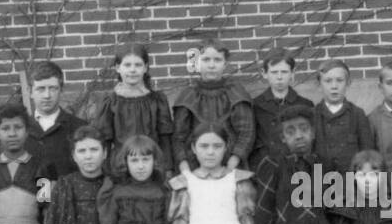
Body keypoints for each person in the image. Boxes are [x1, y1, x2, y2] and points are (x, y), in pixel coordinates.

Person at [172, 38, 255, 172]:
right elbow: (178, 137)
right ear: (197, 63)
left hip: (231, 166)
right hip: (195, 168)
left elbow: (246, 133)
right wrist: (185, 169)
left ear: (225, 64)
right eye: (206, 60)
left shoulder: (236, 93)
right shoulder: (188, 95)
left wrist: (231, 164)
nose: (211, 65)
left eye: (217, 60)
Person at [91, 42, 174, 175]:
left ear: (146, 67)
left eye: (138, 65)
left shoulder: (157, 100)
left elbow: (165, 139)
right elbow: (104, 142)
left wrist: (168, 169)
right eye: (127, 65)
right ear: (118, 67)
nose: (132, 70)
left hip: (152, 167)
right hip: (120, 169)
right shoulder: (110, 102)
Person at [311, 59, 375, 177]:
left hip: (351, 182)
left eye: (339, 80)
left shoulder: (357, 114)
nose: (334, 86)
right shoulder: (313, 115)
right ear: (319, 84)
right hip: (321, 183)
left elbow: (367, 153)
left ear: (348, 83)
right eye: (328, 81)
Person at [25, 60, 83, 182]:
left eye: (52, 88)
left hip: (66, 198)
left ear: (61, 90)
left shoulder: (79, 128)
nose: (47, 95)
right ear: (30, 91)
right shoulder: (20, 130)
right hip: (30, 199)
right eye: (41, 89)